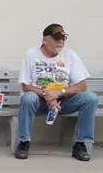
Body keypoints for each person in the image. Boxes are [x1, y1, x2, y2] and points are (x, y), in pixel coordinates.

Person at [15, 24, 97, 162]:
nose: (61, 41)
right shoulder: (32, 54)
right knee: (28, 99)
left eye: (63, 38)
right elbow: (25, 86)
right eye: (56, 38)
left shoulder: (70, 55)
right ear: (45, 40)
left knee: (90, 98)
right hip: (39, 100)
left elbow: (82, 86)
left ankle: (81, 144)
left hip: (64, 101)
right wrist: (47, 95)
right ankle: (24, 142)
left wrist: (59, 92)